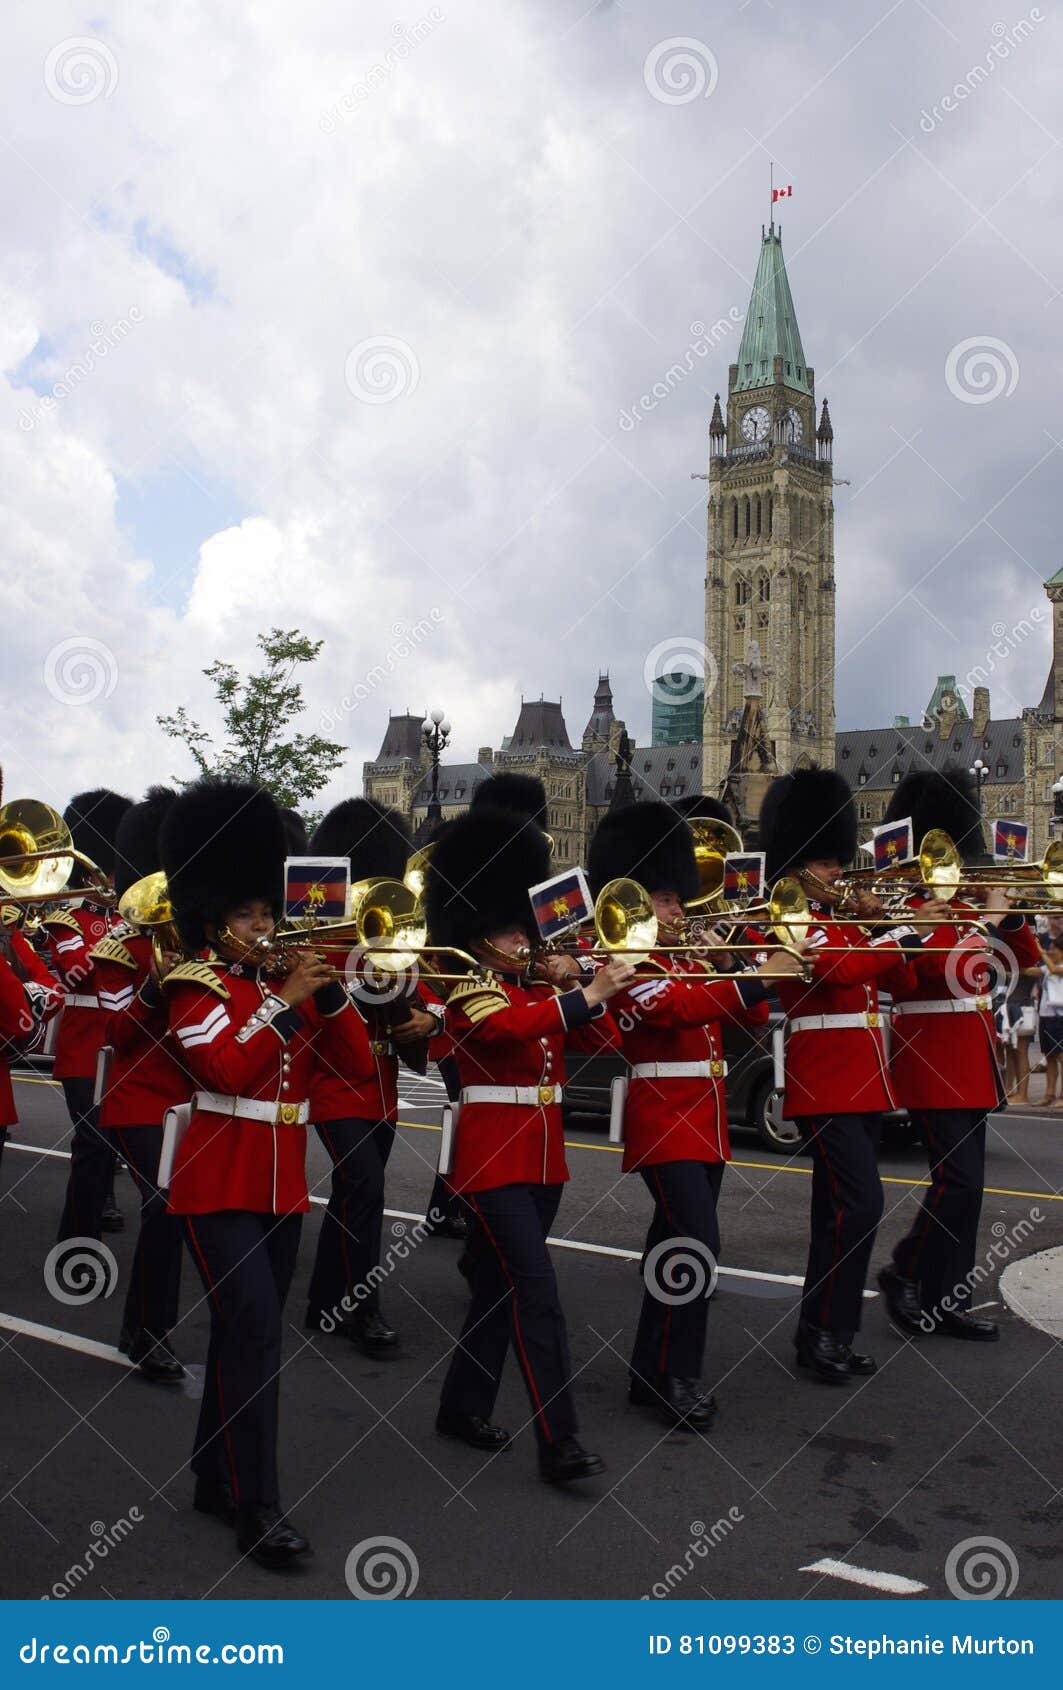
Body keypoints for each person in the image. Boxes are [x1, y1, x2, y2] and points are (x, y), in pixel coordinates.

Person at [160, 778, 374, 1568]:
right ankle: (258, 1504)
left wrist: (333, 996)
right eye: (247, 915)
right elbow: (223, 1068)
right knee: (252, 1333)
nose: (263, 925)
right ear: (213, 921)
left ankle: (214, 1473)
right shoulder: (195, 987)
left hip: (280, 1186)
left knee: (243, 1336)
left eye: (265, 912)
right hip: (216, 1185)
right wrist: (285, 999)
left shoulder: (279, 986)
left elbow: (352, 1068)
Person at [425, 802, 632, 1482]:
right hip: (490, 1161)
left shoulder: (530, 989)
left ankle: (460, 1407)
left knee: (493, 1290)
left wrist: (583, 988)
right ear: (481, 935)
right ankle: (559, 1441)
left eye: (526, 933)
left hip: (541, 1158)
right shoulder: (469, 989)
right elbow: (508, 1034)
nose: (525, 943)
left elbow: (607, 1043)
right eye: (514, 934)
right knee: (535, 1292)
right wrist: (582, 993)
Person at [587, 801, 800, 1429]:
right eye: (666, 901)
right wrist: (757, 977)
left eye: (678, 900)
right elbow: (673, 1012)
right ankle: (676, 1376)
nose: (680, 911)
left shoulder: (683, 961)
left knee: (672, 1244)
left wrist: (733, 965)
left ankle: (649, 1372)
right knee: (698, 1245)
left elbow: (747, 1020)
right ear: (632, 904)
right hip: (663, 1118)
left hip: (701, 1119)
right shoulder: (629, 966)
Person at [758, 767, 924, 1384]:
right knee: (861, 1205)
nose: (838, 872)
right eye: (826, 863)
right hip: (823, 1083)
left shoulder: (853, 921)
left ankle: (825, 1332)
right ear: (799, 866)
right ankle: (826, 1328)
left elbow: (900, 983)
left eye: (837, 860)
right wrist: (892, 938)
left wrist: (886, 925)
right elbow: (838, 972)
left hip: (862, 1084)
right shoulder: (794, 919)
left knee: (838, 1213)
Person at [876, 769, 1041, 1342]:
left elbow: (1026, 958)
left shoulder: (963, 912)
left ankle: (946, 1300)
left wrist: (1011, 912)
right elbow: (932, 973)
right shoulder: (910, 914)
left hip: (972, 1062)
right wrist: (986, 918)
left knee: (968, 1191)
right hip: (931, 1060)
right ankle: (904, 1270)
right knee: (959, 1182)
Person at [303, 798, 438, 1353]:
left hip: (382, 1083)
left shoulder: (391, 936)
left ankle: (323, 1300)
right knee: (365, 1186)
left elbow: (429, 988)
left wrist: (429, 1017)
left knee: (351, 1193)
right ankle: (363, 1307)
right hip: (335, 1080)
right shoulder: (322, 936)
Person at [91, 787, 189, 1382]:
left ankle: (146, 1326)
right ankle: (148, 1332)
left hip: (188, 1100)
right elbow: (118, 1033)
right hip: (137, 1099)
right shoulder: (118, 951)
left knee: (180, 1210)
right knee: (163, 1208)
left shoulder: (200, 945)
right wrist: (157, 986)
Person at [43, 789, 133, 1240]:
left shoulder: (136, 914)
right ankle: (76, 1239)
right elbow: (80, 974)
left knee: (115, 1144)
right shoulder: (66, 918)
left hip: (129, 1046)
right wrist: (125, 930)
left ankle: (97, 1207)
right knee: (94, 1142)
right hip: (83, 1049)